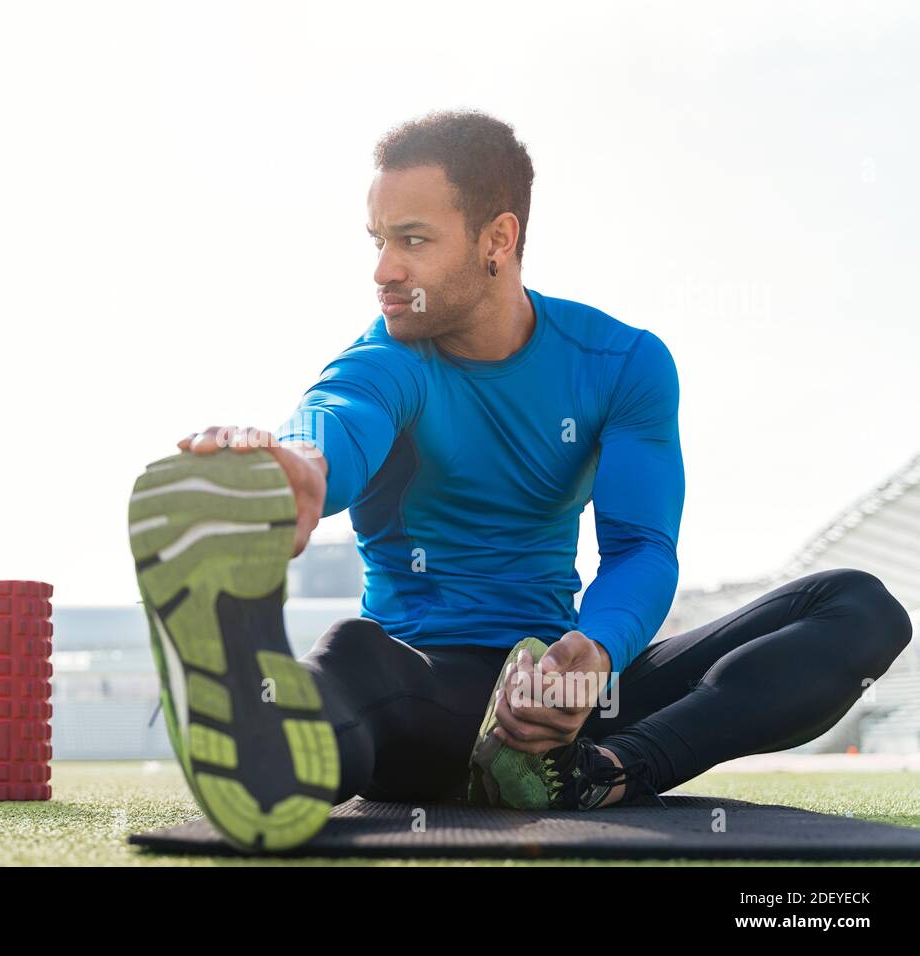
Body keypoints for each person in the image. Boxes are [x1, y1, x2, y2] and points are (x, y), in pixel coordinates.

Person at [126, 109, 913, 853]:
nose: (383, 270)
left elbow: (641, 547)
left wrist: (595, 653)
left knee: (857, 606)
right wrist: (295, 470)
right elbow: (337, 419)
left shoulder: (621, 363)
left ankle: (603, 777)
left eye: (412, 239)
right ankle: (268, 738)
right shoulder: (387, 360)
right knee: (362, 661)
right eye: (376, 240)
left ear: (496, 238)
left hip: (573, 699)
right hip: (430, 691)